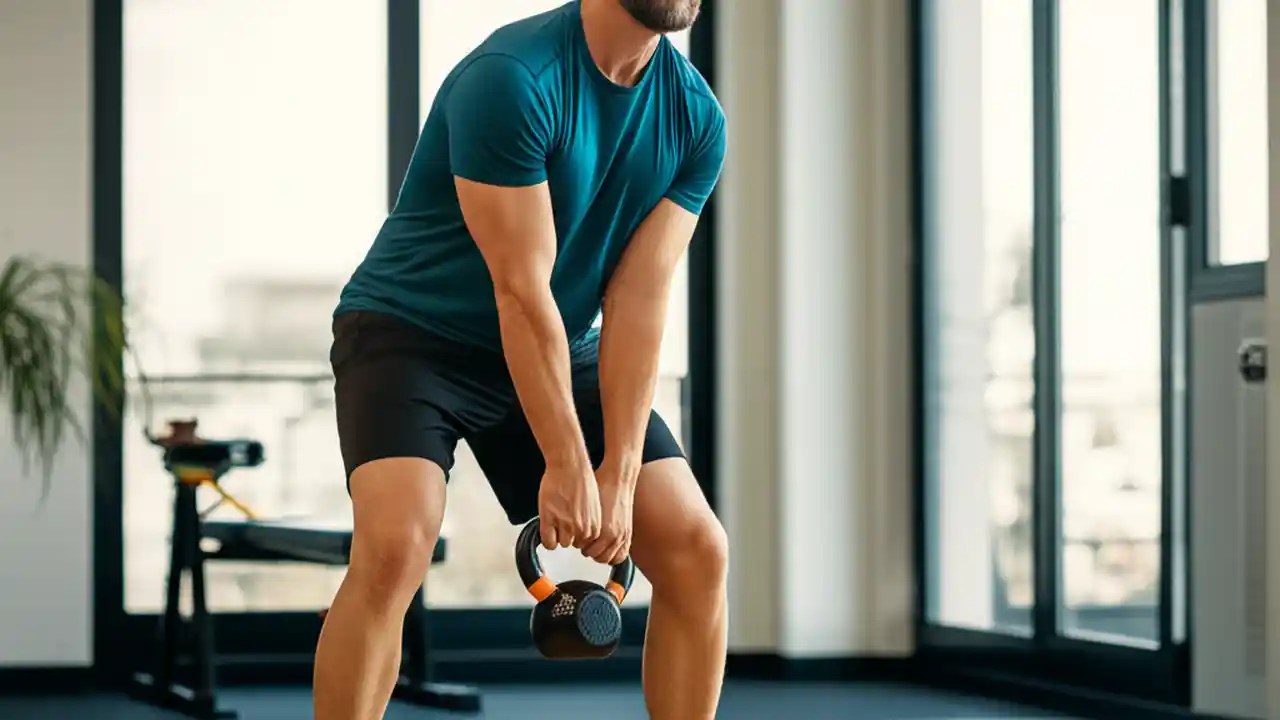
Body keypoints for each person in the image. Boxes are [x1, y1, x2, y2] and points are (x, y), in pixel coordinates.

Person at [313, 0, 727, 718]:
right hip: (411, 333)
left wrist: (620, 473)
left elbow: (640, 300)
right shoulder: (511, 79)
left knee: (697, 549)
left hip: (560, 339)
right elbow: (519, 288)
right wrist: (567, 462)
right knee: (395, 545)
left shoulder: (695, 120)